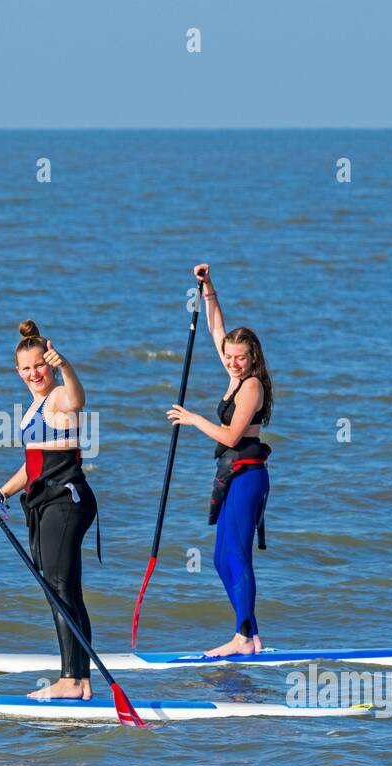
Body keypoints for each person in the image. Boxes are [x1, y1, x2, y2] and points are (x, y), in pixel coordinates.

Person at [0, 321, 99, 698]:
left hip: (66, 501)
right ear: (18, 372)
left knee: (59, 589)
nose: (34, 373)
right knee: (68, 591)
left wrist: (65, 366)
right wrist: (0, 493)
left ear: (48, 364)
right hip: (50, 502)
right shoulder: (33, 408)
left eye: (39, 365)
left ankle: (68, 680)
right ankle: (82, 682)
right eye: (26, 368)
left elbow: (78, 400)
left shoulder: (60, 396)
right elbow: (33, 466)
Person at [166, 265, 273, 657]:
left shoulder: (252, 387)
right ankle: (252, 634)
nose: (232, 362)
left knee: (237, 555)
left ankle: (243, 636)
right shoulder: (232, 374)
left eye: (240, 358)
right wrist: (207, 287)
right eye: (229, 356)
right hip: (232, 476)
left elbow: (230, 437)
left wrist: (193, 418)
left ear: (253, 358)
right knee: (218, 558)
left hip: (249, 478)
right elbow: (216, 328)